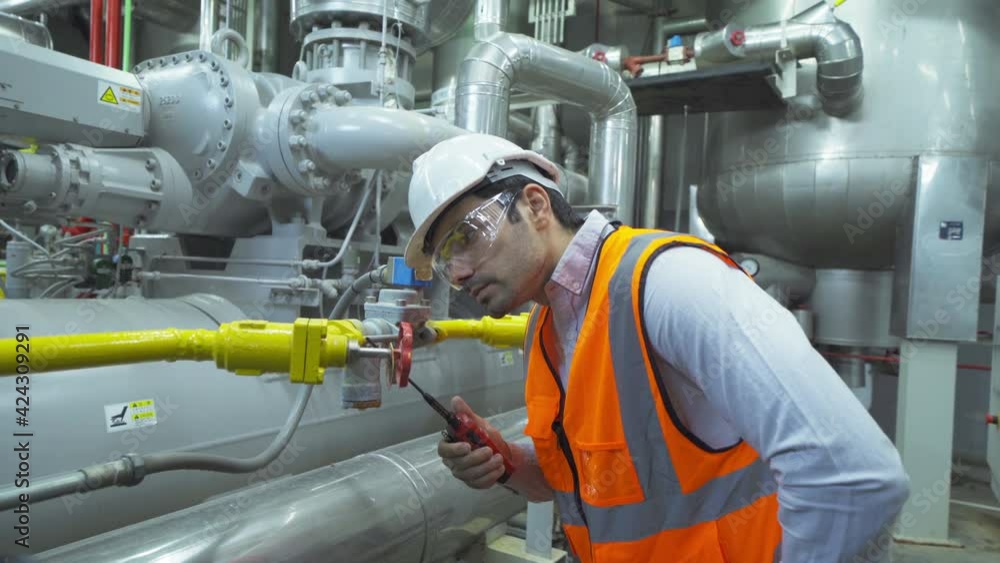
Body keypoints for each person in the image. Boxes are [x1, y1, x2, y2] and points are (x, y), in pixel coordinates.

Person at [403, 133, 910, 563]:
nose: (459, 273)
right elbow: (583, 487)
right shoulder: (547, 325)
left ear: (535, 205)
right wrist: (510, 463)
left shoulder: (669, 283)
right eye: (445, 260)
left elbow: (851, 476)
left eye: (467, 236)